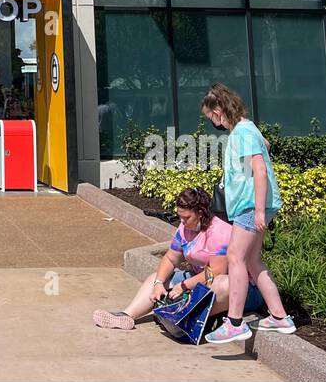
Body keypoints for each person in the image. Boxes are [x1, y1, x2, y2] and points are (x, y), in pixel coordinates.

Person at [199, 82, 296, 343]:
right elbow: (265, 144)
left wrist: (260, 212)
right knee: (252, 261)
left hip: (250, 205)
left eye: (211, 117)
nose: (213, 123)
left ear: (219, 110)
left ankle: (234, 323)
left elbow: (260, 170)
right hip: (253, 204)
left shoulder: (241, 133)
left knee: (235, 257)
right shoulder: (247, 129)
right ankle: (279, 317)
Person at [93, 187, 264, 331]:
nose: (182, 221)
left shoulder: (219, 231)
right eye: (180, 216)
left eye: (186, 217)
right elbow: (170, 258)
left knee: (224, 283)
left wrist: (184, 286)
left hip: (241, 291)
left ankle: (182, 319)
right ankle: (127, 316)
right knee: (157, 277)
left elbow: (216, 272)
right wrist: (159, 283)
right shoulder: (184, 228)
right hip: (200, 280)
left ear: (201, 213)